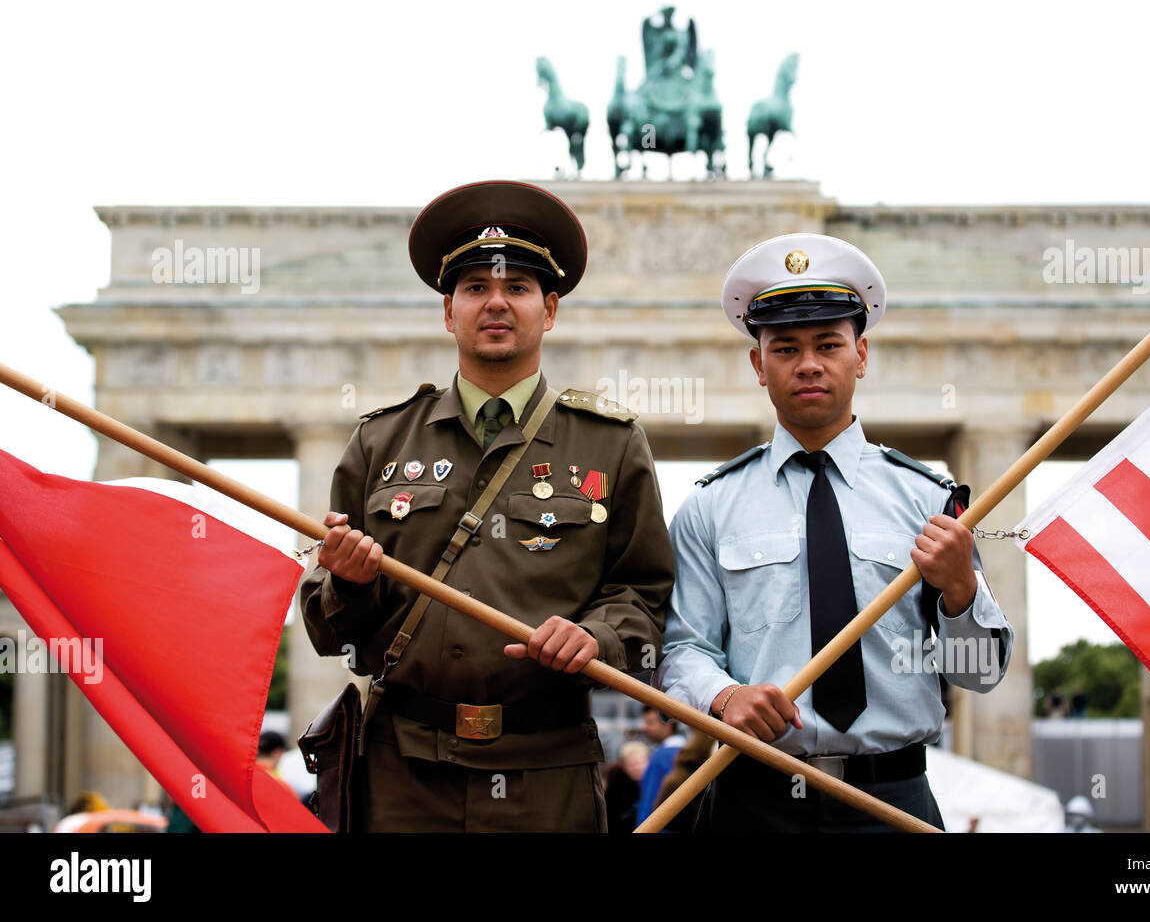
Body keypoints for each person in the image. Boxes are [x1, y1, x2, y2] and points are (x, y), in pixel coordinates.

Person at [299, 180, 675, 832]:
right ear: (449, 312)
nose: (496, 303)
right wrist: (350, 585)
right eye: (475, 288)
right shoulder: (381, 439)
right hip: (401, 772)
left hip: (547, 768)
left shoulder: (611, 443)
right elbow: (328, 628)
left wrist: (599, 636)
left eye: (518, 289)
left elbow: (646, 595)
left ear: (549, 309)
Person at [655, 233, 1015, 832]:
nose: (810, 364)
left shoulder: (928, 500)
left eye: (829, 344)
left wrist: (960, 594)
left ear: (862, 354)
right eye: (786, 349)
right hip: (752, 801)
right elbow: (681, 650)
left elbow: (978, 673)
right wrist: (724, 698)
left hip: (893, 801)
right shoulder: (709, 508)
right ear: (757, 364)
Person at [635, 705, 686, 826]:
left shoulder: (667, 755)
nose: (644, 727)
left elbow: (651, 800)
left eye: (650, 722)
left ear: (668, 723)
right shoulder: (675, 752)